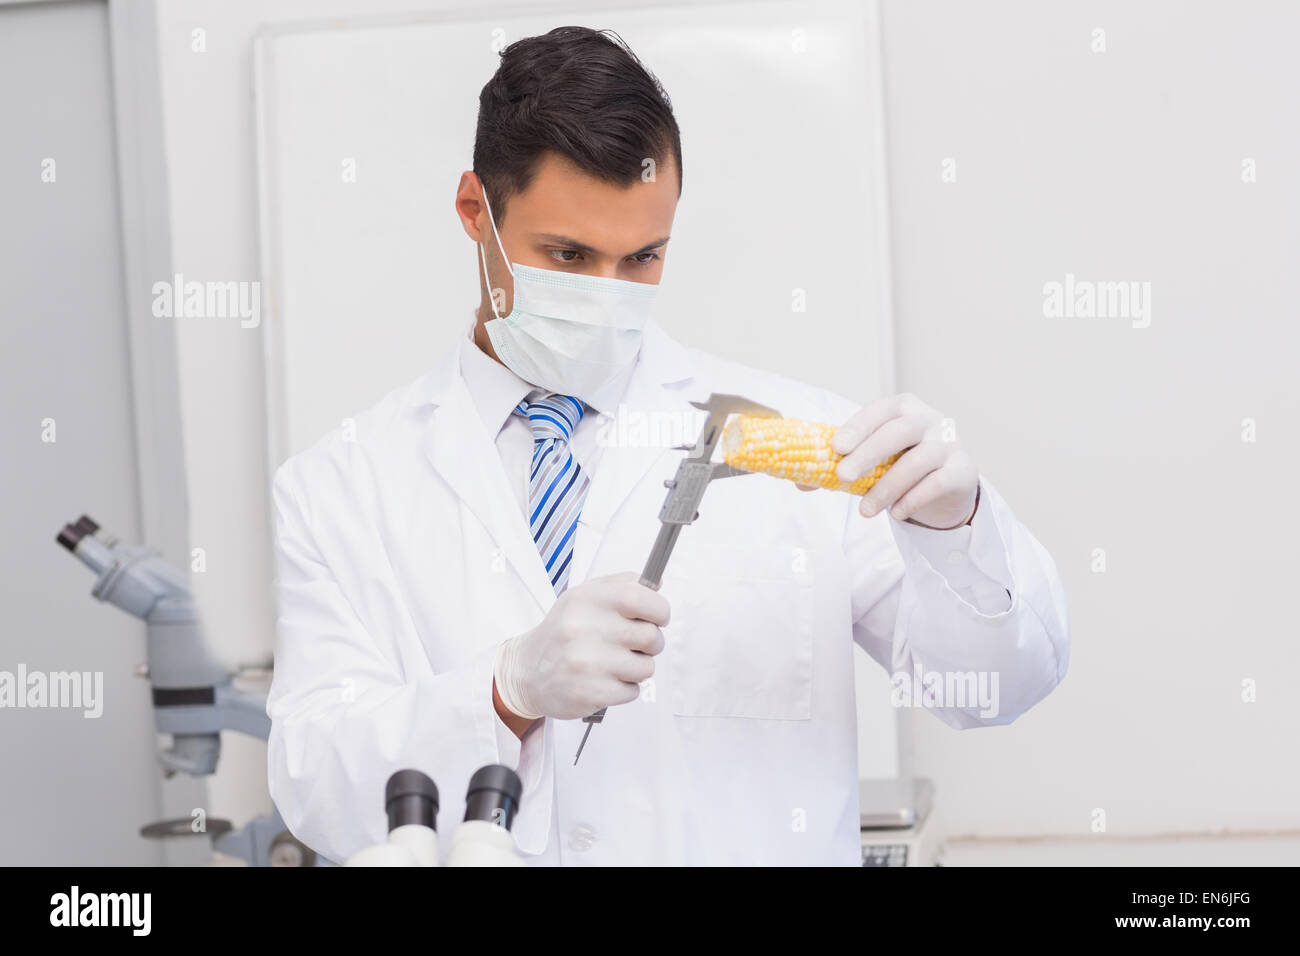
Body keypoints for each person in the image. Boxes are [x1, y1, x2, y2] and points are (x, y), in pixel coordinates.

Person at [266, 25, 1069, 866]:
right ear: (477, 212)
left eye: (642, 257)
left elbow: (996, 690)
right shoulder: (342, 487)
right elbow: (319, 786)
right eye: (567, 255)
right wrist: (503, 690)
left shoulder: (798, 438)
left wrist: (957, 528)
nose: (608, 295)